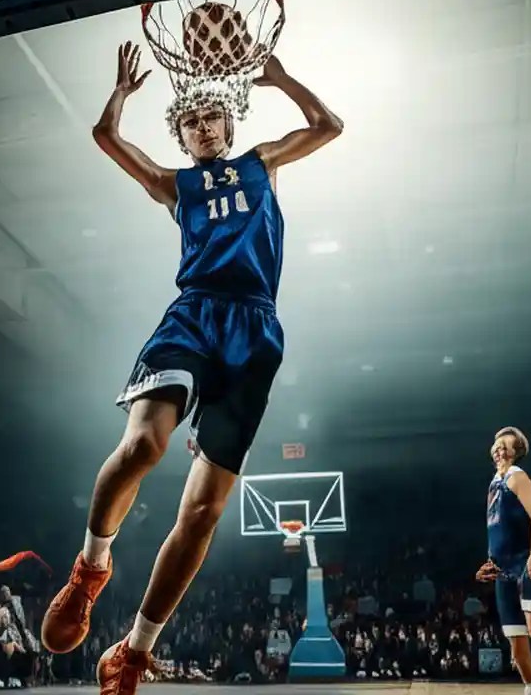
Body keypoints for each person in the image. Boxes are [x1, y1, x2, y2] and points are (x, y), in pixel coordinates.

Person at [40, 41, 342, 693]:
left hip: (256, 331)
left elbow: (328, 127)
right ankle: (92, 567)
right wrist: (121, 91)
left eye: (212, 118)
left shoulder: (262, 164)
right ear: (182, 136)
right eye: (191, 122)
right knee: (147, 442)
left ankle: (134, 651)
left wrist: (282, 77)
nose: (203, 127)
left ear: (229, 127)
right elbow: (104, 135)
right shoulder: (176, 184)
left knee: (204, 509)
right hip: (195, 317)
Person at [474, 427, 531, 695]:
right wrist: (488, 562)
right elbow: (498, 531)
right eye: (497, 444)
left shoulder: (517, 477)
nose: (500, 448)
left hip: (524, 560)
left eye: (506, 445)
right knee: (515, 638)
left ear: (515, 453)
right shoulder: (493, 484)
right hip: (502, 569)